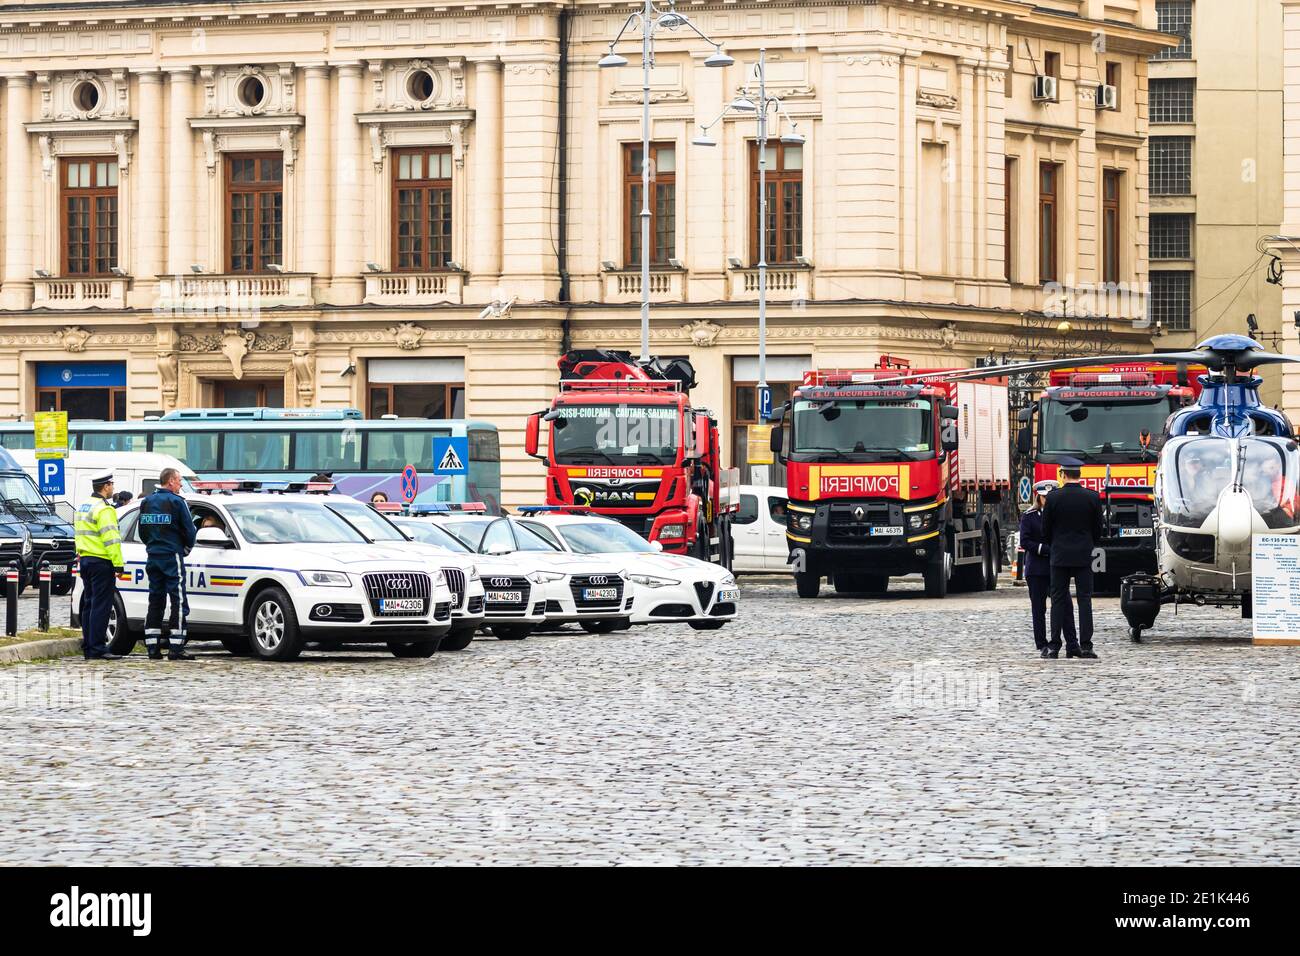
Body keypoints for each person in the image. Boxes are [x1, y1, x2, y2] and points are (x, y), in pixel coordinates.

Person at [1042, 459, 1105, 660]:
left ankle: (1054, 646)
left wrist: (1057, 544)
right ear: (1080, 475)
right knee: (1085, 600)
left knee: (1058, 600)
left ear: (1063, 474)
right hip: (1083, 554)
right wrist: (1088, 543)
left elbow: (1045, 530)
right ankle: (1085, 645)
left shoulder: (1053, 498)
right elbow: (1098, 530)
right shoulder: (1092, 497)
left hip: (1059, 555)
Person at [138, 467, 198, 661]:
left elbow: (143, 532)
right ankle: (176, 647)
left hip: (153, 555)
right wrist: (185, 548)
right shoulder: (177, 502)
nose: (181, 485)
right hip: (171, 556)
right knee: (178, 600)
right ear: (171, 481)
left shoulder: (147, 501)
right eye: (179, 481)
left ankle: (152, 648)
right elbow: (190, 531)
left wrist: (153, 545)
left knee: (155, 599)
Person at [74, 472, 125, 661]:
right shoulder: (105, 509)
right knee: (101, 606)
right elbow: (111, 540)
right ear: (106, 486)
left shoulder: (84, 506)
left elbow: (79, 534)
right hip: (101, 561)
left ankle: (89, 646)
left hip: (85, 559)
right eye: (111, 484)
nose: (113, 487)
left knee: (89, 604)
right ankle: (97, 648)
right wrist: (118, 565)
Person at [1018, 480, 1064, 659]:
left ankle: (1059, 641)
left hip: (1055, 566)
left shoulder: (1059, 516)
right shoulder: (1030, 516)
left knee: (1061, 606)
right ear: (1039, 497)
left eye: (1050, 497)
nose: (1047, 500)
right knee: (1039, 608)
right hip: (1036, 567)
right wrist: (1044, 549)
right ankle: (1042, 643)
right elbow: (1025, 541)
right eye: (1045, 497)